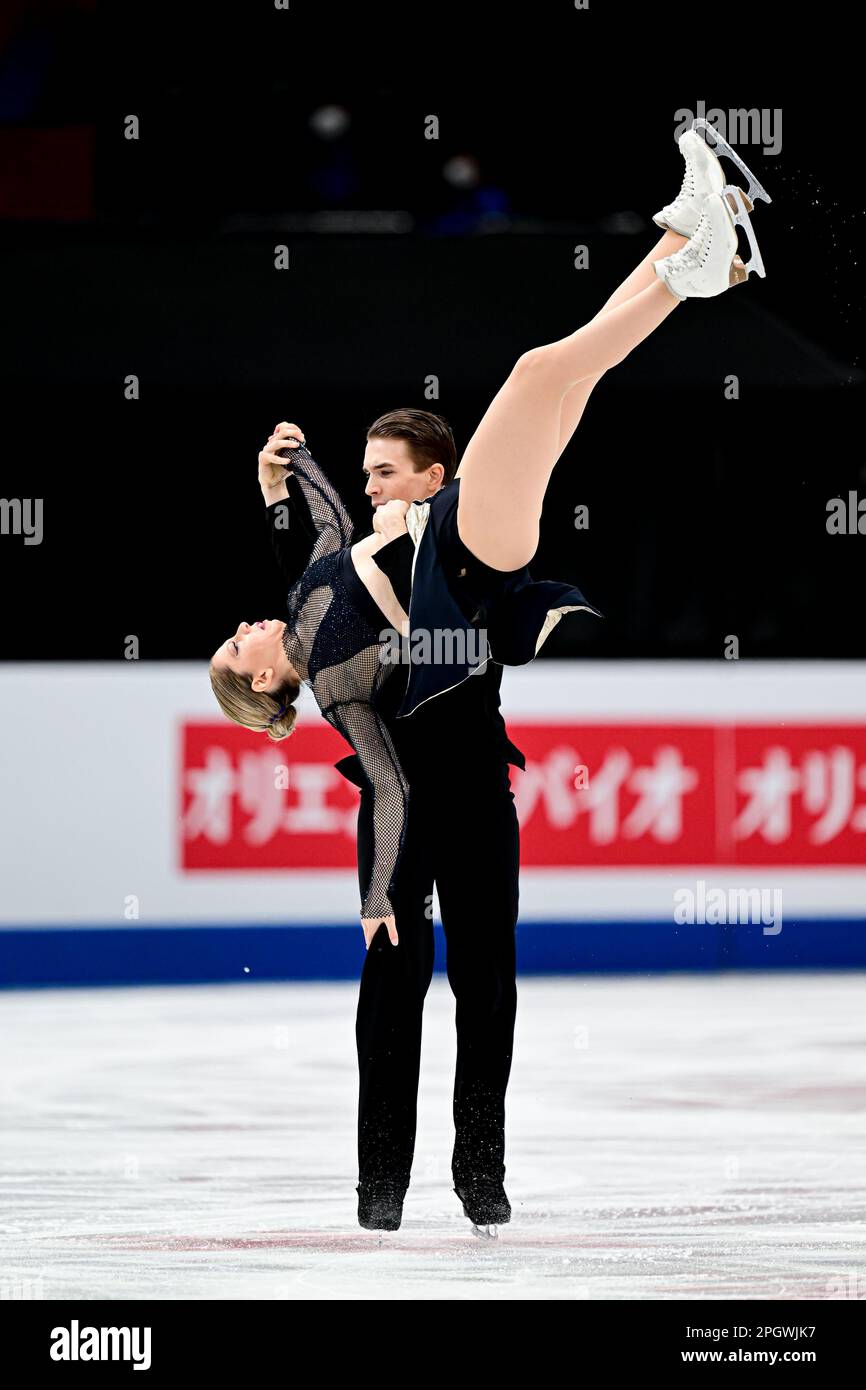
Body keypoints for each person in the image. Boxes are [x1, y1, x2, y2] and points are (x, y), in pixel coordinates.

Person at [209, 126, 771, 1234]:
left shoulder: (312, 592)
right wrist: (375, 892)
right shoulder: (326, 674)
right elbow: (384, 785)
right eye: (233, 650)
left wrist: (278, 474)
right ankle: (381, 1192)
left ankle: (693, 247)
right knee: (543, 374)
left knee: (560, 380)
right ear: (266, 686)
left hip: (470, 637)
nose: (236, 627)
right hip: (433, 789)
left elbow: (319, 539)